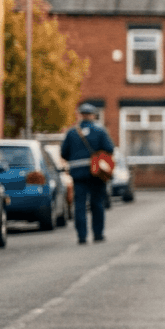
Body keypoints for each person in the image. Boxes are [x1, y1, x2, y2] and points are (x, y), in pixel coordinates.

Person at [61, 102, 114, 245]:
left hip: (78, 174)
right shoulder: (100, 131)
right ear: (92, 115)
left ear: (80, 115)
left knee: (79, 205)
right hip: (96, 173)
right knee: (97, 203)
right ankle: (98, 234)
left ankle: (82, 236)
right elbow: (109, 149)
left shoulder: (72, 133)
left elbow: (63, 153)